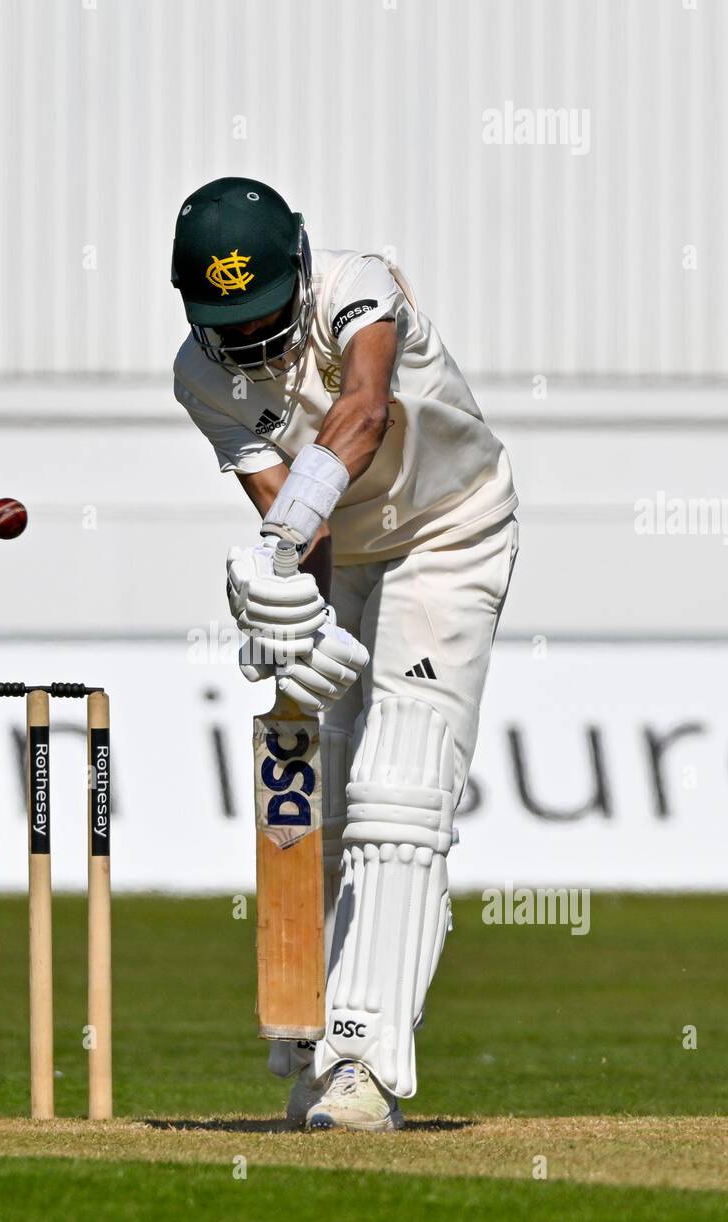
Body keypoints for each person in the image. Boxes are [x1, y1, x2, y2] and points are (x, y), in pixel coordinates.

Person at [172, 176, 518, 1131]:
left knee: (398, 790)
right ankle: (309, 1035)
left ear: (300, 267)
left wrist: (274, 540)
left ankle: (362, 1063)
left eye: (263, 318)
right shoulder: (201, 380)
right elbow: (298, 532)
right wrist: (286, 611)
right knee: (314, 795)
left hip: (450, 531)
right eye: (226, 326)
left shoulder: (357, 288)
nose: (248, 345)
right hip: (344, 555)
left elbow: (362, 412)